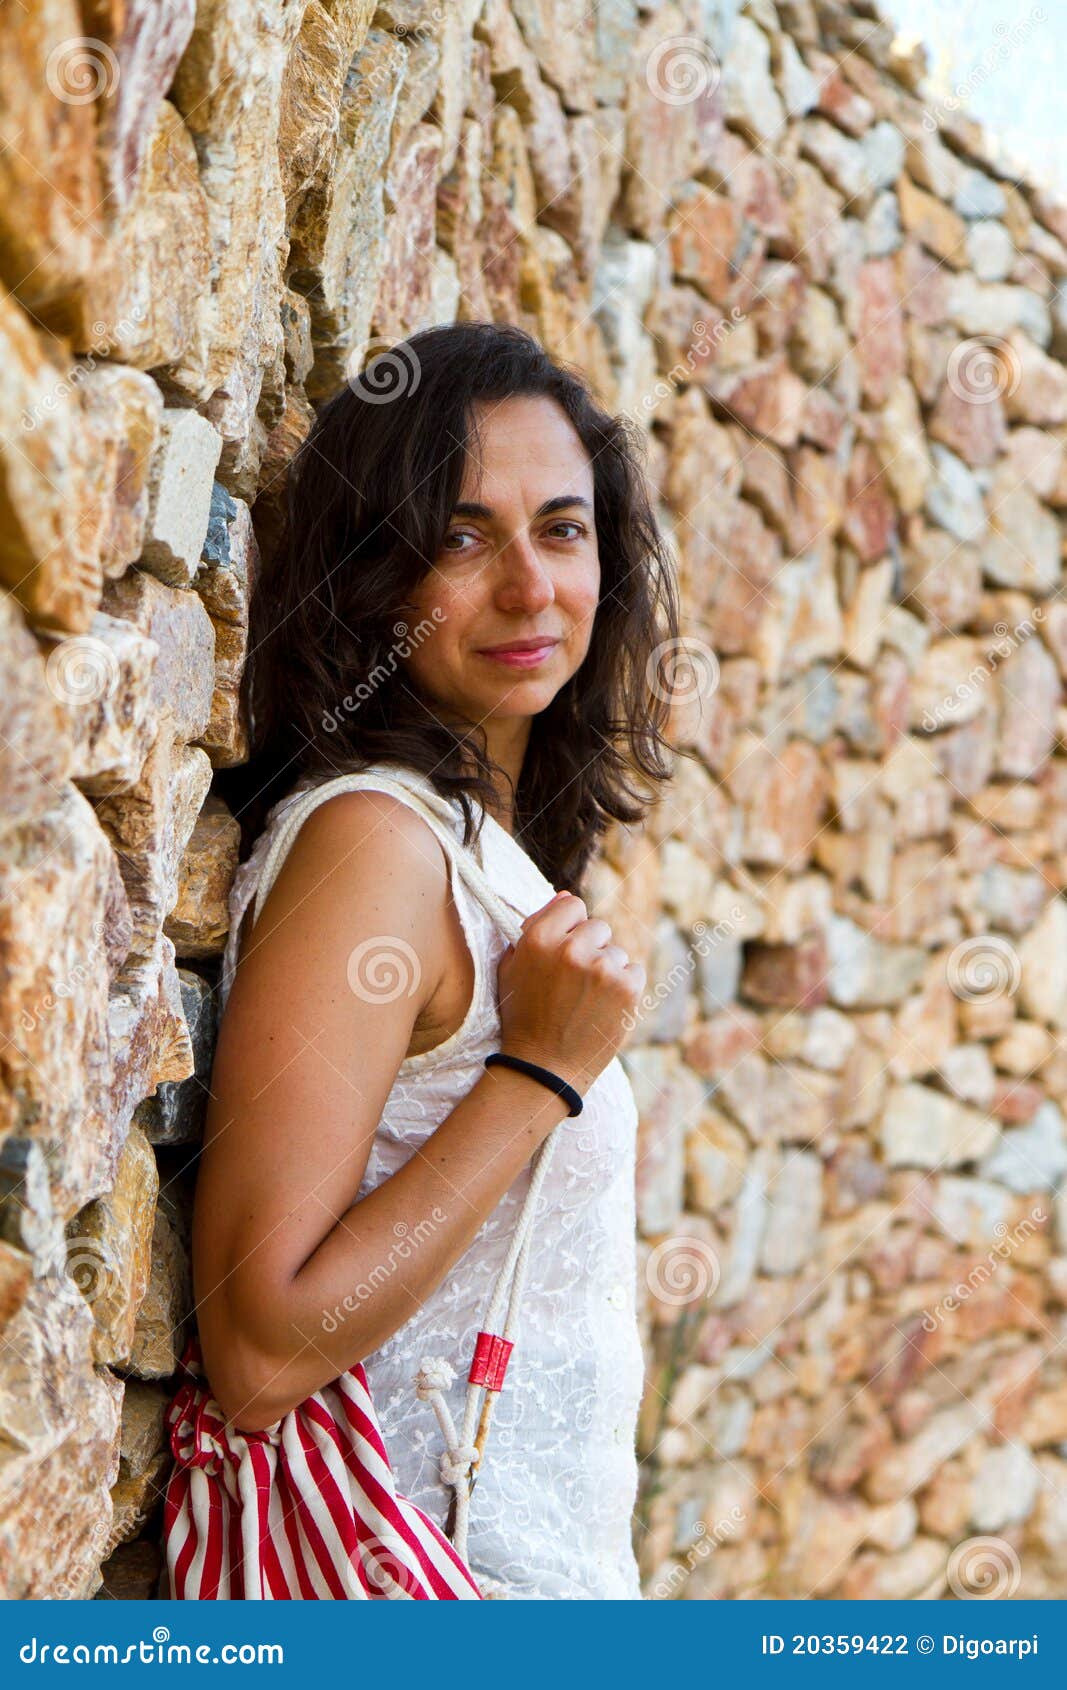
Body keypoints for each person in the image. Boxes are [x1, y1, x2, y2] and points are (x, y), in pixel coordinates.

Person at [162, 321, 681, 1599]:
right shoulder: (371, 845)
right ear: (372, 576)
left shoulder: (485, 859)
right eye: (460, 536)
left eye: (561, 530)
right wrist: (536, 1074)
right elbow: (260, 1345)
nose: (529, 585)